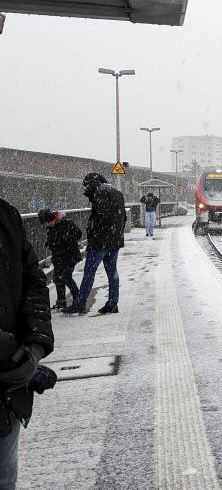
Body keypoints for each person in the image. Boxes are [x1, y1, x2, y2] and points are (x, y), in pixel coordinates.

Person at [0, 197, 55, 489]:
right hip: (9, 370)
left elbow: (34, 281)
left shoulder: (7, 215)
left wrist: (34, 346)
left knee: (5, 478)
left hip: (8, 391)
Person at [62, 173, 126, 315]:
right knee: (112, 272)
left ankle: (80, 304)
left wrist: (91, 229)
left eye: (86, 185)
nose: (86, 189)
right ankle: (112, 303)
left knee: (89, 273)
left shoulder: (99, 192)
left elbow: (100, 217)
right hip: (114, 241)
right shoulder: (117, 193)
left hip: (99, 242)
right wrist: (116, 235)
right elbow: (124, 217)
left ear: (92, 183)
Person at [38, 208, 82, 310]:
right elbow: (53, 239)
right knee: (57, 278)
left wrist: (65, 239)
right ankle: (61, 301)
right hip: (58, 257)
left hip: (70, 255)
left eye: (48, 223)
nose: (47, 225)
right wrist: (49, 243)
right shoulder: (50, 227)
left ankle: (78, 298)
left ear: (52, 218)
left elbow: (79, 234)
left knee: (66, 277)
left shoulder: (66, 223)